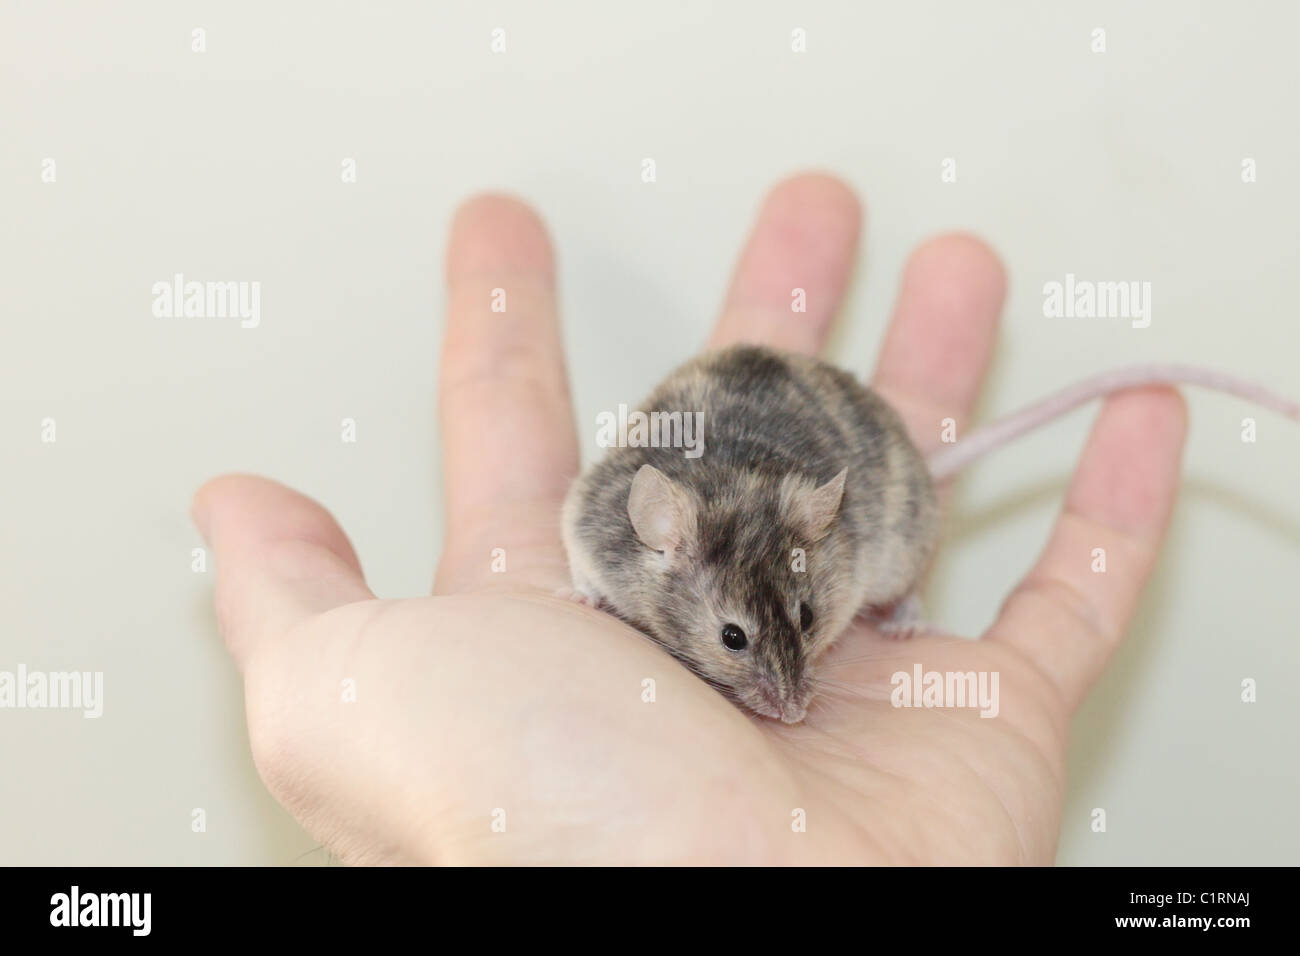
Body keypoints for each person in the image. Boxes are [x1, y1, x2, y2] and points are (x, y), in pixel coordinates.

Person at [191, 173, 1187, 864]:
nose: (785, 689)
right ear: (663, 544)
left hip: (817, 451)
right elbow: (588, 521)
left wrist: (864, 597)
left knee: (893, 540)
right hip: (742, 442)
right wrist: (588, 592)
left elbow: (822, 560)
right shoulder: (636, 525)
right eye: (737, 640)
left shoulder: (815, 529)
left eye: (791, 631)